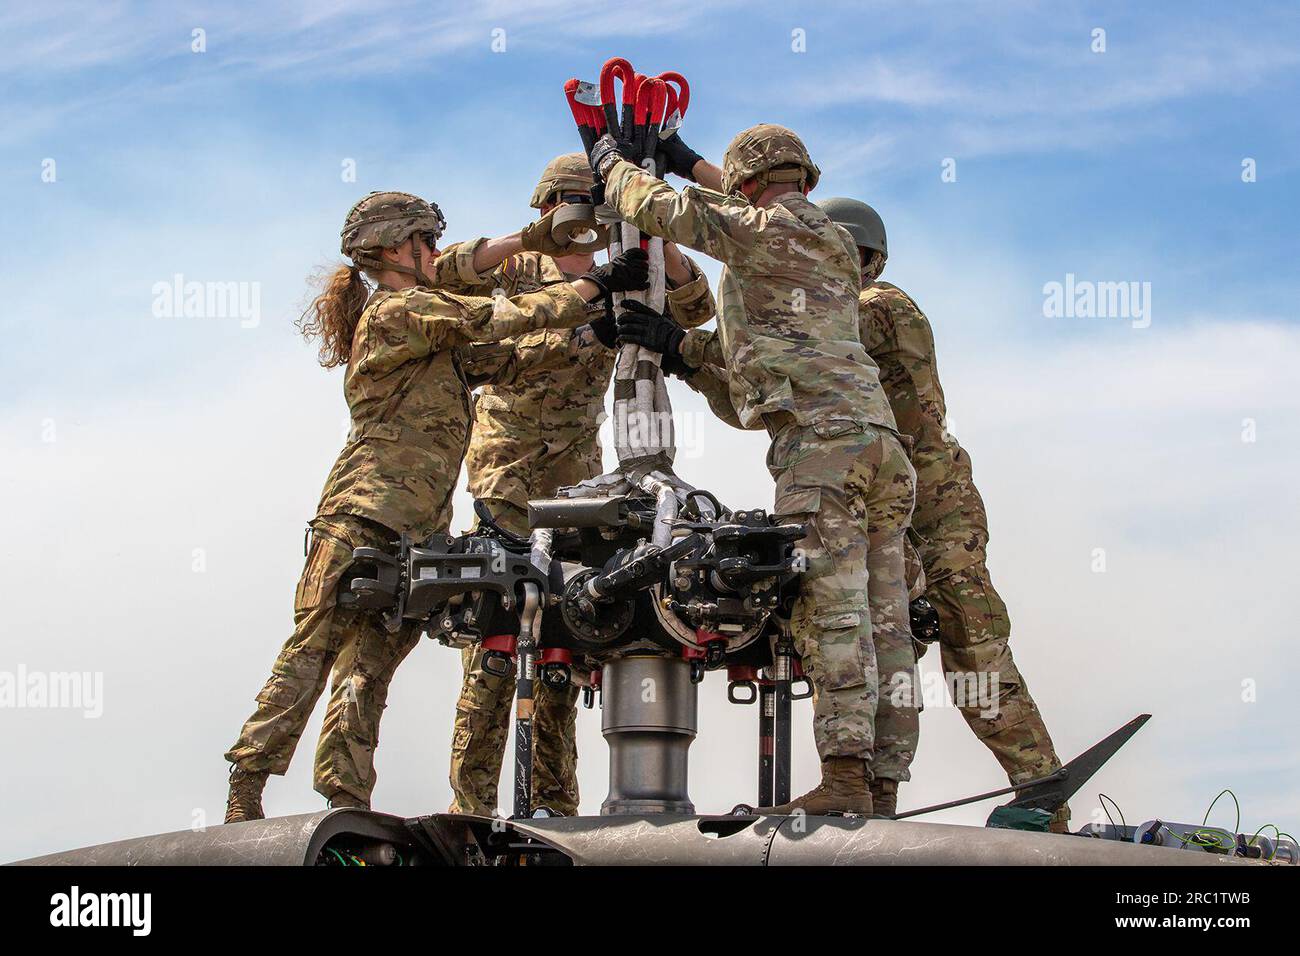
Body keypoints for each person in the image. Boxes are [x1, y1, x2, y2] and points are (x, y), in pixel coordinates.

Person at [223, 191, 649, 822]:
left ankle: (345, 796)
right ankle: (246, 785)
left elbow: (506, 360)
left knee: (370, 668)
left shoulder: (431, 331)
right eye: (425, 242)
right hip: (363, 515)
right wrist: (594, 289)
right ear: (399, 248)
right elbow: (493, 321)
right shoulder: (398, 311)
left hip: (419, 528)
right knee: (314, 653)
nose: (433, 254)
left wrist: (594, 332)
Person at [595, 125, 915, 814]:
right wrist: (687, 160)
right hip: (881, 449)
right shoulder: (826, 236)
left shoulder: (762, 230)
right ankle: (882, 782)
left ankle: (846, 778)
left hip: (821, 451)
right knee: (887, 621)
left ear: (747, 184)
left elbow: (668, 212)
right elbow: (740, 205)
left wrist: (612, 165)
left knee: (833, 607)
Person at [427, 153, 715, 817]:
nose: (581, 226)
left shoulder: (623, 272)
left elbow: (695, 308)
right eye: (570, 209)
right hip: (506, 475)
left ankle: (556, 806)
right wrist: (531, 239)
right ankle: (470, 807)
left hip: (577, 489)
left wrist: (654, 237)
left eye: (592, 209)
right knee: (496, 644)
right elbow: (438, 279)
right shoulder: (515, 271)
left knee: (565, 643)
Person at [819, 196, 1068, 829]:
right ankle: (876, 801)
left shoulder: (880, 306)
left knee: (970, 643)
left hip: (935, 504)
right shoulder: (847, 309)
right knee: (882, 641)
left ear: (865, 257)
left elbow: (810, 332)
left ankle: (1040, 787)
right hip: (888, 500)